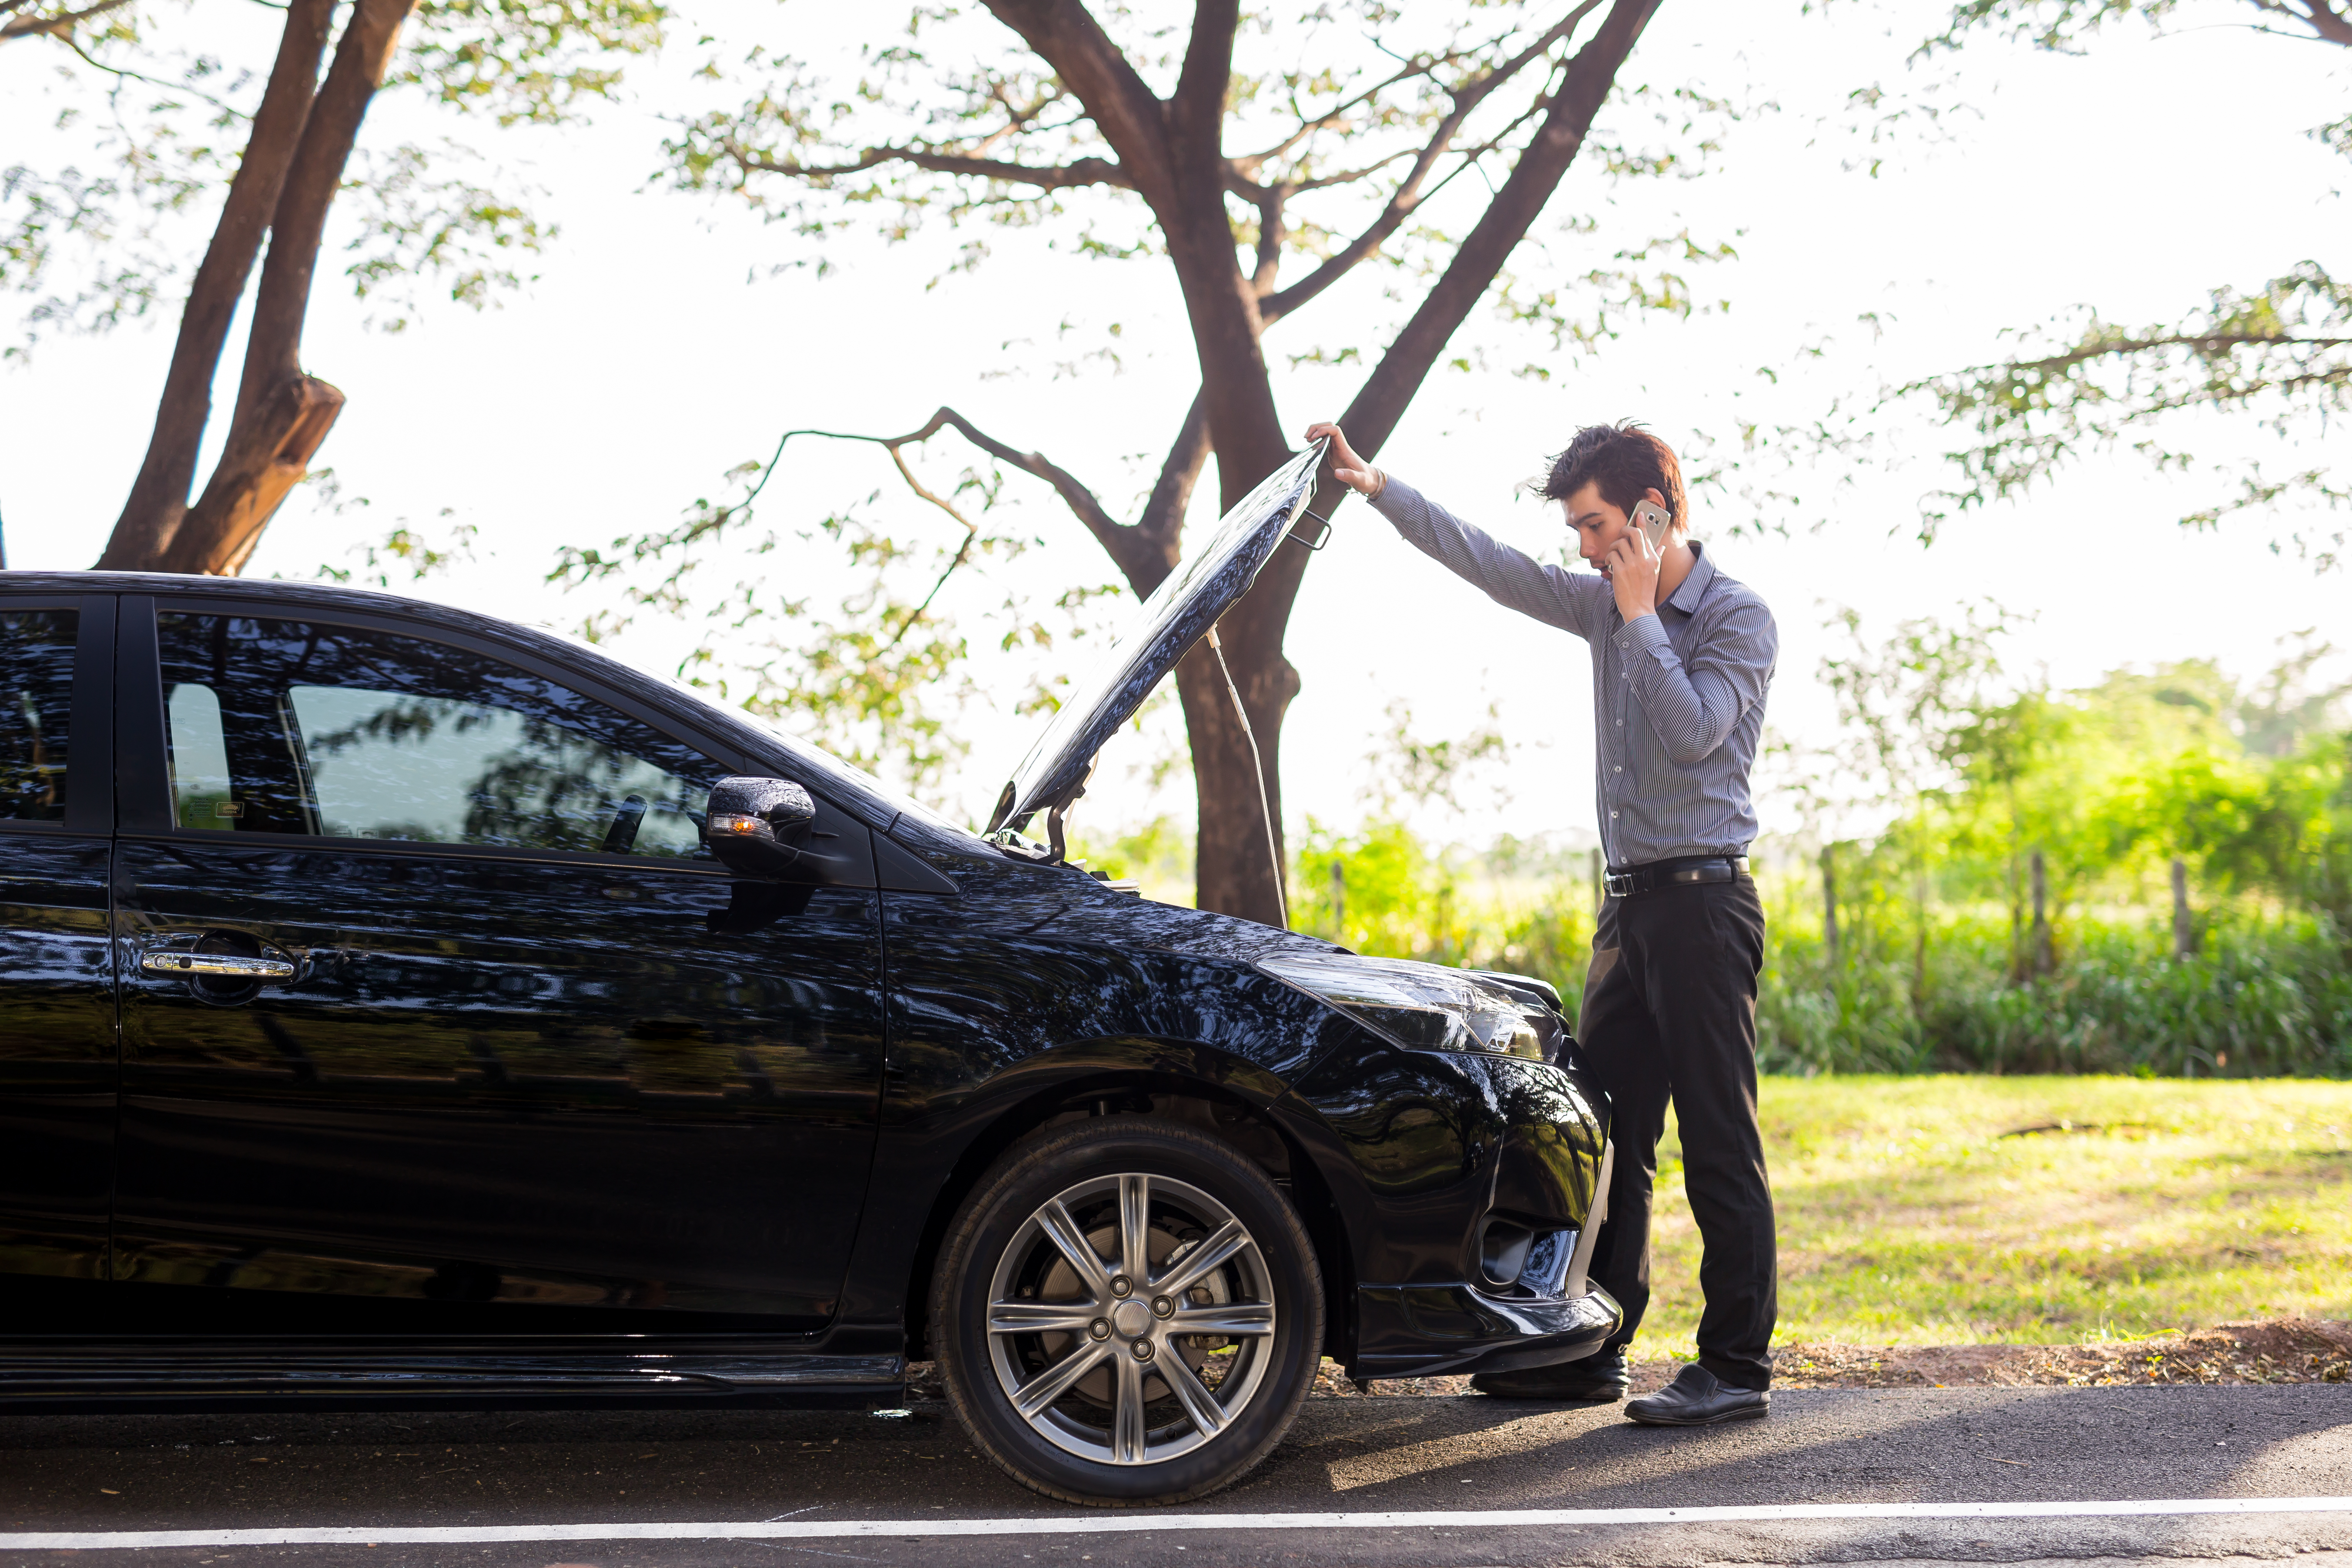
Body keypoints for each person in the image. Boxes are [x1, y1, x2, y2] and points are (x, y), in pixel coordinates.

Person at [1303, 418, 1779, 1426]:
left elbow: (1695, 736)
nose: (1584, 548)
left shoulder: (1733, 615)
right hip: (1631, 909)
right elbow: (1495, 566)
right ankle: (1590, 1347)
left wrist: (1642, 613)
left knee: (1721, 1140)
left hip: (1705, 907)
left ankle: (1736, 1366)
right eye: (1578, 528)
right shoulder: (1603, 602)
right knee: (1614, 1140)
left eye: (1598, 525)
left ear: (1655, 513)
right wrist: (1378, 486)